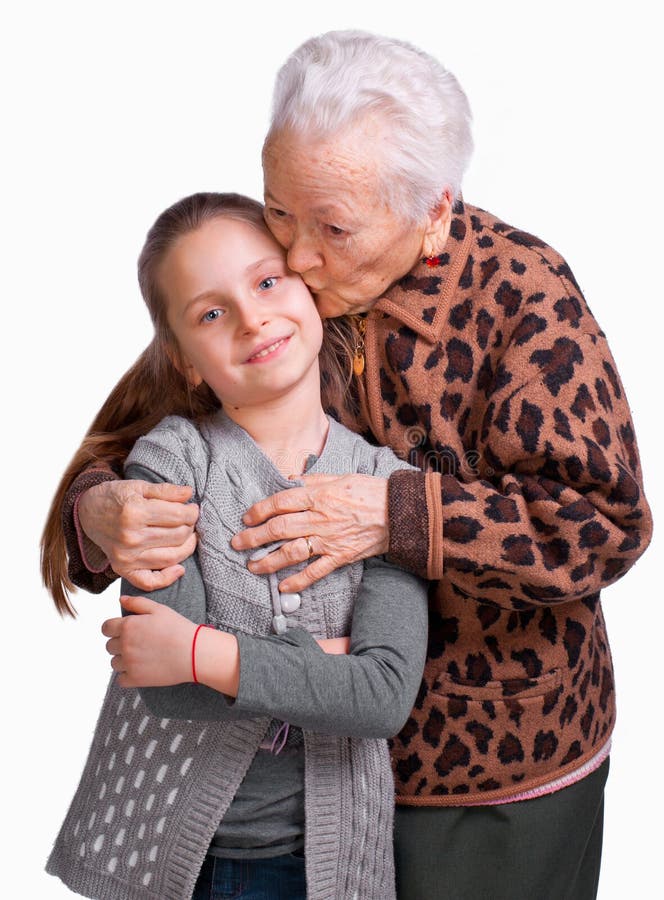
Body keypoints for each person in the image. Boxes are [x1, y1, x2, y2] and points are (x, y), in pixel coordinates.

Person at [48, 30, 653, 900]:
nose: (291, 257)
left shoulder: (524, 298)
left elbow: (603, 525)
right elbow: (140, 438)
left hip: (488, 759)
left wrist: (391, 516)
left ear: (432, 211)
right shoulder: (282, 293)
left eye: (328, 227)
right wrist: (101, 512)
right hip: (300, 782)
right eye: (278, 209)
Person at [43, 192, 429, 900]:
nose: (252, 318)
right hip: (176, 856)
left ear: (310, 294)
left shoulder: (385, 485)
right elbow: (172, 695)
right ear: (186, 361)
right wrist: (331, 662)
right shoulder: (171, 463)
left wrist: (203, 650)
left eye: (266, 281)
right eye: (211, 313)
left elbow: (380, 698)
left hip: (324, 863)